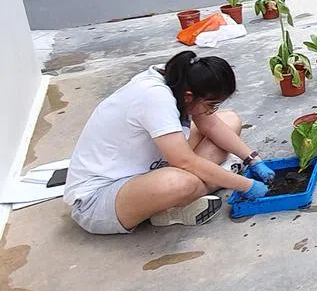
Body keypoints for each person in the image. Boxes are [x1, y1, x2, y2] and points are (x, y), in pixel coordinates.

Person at [63, 51, 273, 234]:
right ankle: (185, 197)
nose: (212, 110)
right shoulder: (154, 96)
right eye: (211, 104)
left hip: (149, 170)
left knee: (229, 121)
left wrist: (253, 160)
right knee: (180, 182)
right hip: (99, 200)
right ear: (189, 96)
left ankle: (195, 189)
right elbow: (184, 162)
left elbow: (212, 125)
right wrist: (246, 185)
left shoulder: (179, 78)